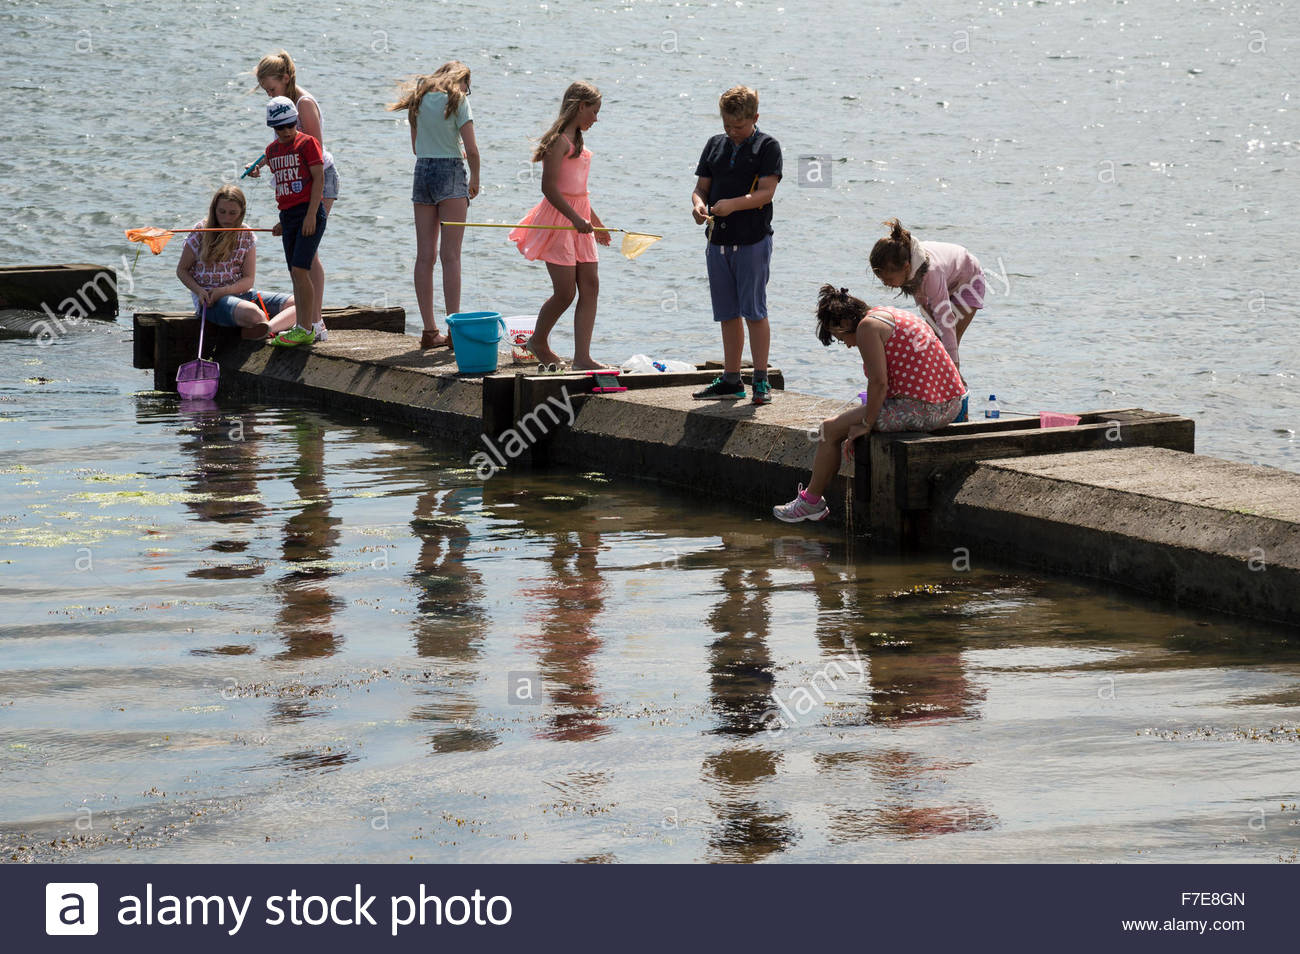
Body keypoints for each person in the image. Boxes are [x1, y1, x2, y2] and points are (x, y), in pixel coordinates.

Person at [773, 285, 967, 523]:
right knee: (839, 424)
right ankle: (812, 499)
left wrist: (867, 423)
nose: (846, 344)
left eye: (841, 337)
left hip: (929, 410)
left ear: (846, 321)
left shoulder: (867, 328)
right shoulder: (886, 314)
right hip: (950, 403)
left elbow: (878, 383)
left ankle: (811, 502)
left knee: (829, 429)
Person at [509, 81, 611, 371]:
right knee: (565, 292)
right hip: (559, 220)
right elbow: (550, 188)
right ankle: (538, 341)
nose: (596, 118)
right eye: (594, 111)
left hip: (579, 220)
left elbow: (580, 193)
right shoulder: (558, 141)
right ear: (581, 107)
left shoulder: (580, 145)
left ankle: (582, 357)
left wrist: (596, 223)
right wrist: (576, 220)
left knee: (590, 285)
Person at [690, 86, 782, 405]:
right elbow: (700, 188)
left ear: (754, 118)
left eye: (738, 126)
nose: (731, 131)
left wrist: (733, 205)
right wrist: (699, 206)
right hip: (718, 241)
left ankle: (760, 379)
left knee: (754, 310)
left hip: (753, 240)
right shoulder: (714, 145)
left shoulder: (767, 146)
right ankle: (731, 379)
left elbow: (766, 192)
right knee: (727, 313)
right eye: (727, 124)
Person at [388, 60, 481, 350]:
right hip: (451, 173)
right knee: (450, 256)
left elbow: (418, 147)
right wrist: (475, 178)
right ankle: (454, 332)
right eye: (469, 84)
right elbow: (473, 149)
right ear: (461, 80)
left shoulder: (419, 98)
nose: (468, 89)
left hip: (422, 173)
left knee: (424, 256)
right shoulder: (458, 99)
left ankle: (429, 331)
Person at [248, 50, 336, 342]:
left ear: (285, 79)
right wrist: (263, 162)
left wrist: (310, 209)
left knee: (309, 254)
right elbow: (283, 149)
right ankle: (310, 321)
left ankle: (315, 321)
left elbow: (314, 155)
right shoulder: (281, 111)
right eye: (265, 92)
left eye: (271, 89)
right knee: (305, 254)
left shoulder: (303, 104)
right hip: (294, 189)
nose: (269, 95)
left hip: (317, 181)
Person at [174, 185, 298, 340]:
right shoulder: (201, 230)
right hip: (212, 300)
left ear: (241, 212)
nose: (226, 218)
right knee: (253, 312)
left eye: (233, 213)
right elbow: (182, 270)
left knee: (302, 303)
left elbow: (248, 280)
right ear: (214, 210)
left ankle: (266, 329)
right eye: (222, 212)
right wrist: (199, 291)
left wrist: (225, 290)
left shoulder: (246, 234)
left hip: (242, 293)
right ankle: (267, 326)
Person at [869, 218, 986, 369]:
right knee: (931, 340)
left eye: (889, 279)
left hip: (969, 279)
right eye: (882, 279)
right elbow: (926, 308)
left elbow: (945, 322)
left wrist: (953, 366)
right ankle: (928, 381)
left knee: (949, 342)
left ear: (906, 267)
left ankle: (955, 379)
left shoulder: (930, 273)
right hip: (946, 279)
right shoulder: (907, 265)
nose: (885, 283)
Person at [261, 96, 326, 348]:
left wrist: (311, 214)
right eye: (281, 128)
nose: (287, 131)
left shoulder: (307, 143)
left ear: (296, 122)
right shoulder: (272, 151)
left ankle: (307, 328)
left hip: (309, 213)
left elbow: (318, 179)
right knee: (294, 273)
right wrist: (282, 221)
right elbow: (283, 188)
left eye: (291, 125)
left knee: (301, 270)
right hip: (288, 217)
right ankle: (301, 326)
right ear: (273, 128)